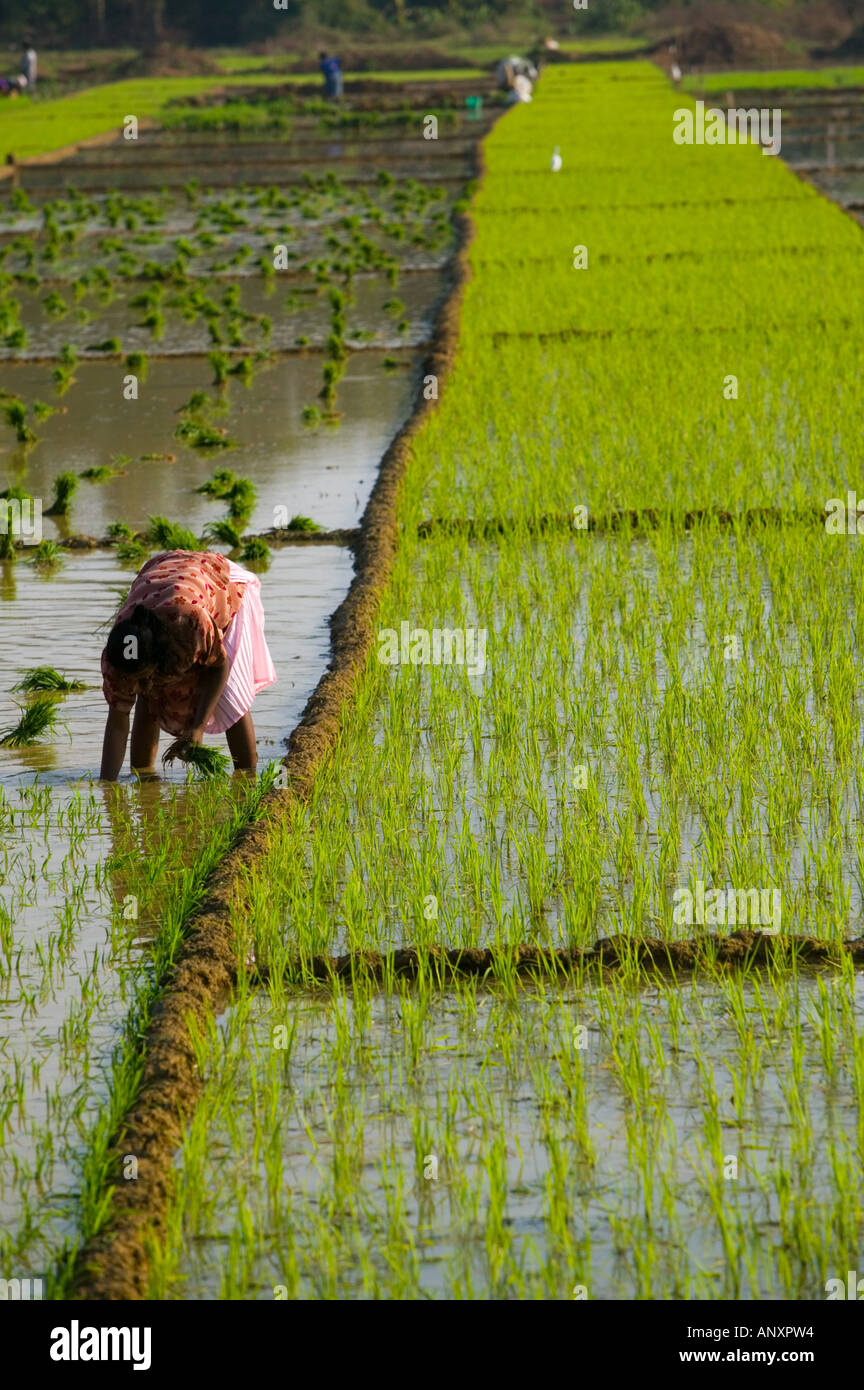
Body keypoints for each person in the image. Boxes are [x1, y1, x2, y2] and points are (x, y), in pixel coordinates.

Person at [99, 549, 276, 780]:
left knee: (232, 695)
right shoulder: (119, 656)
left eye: (145, 675)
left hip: (218, 584)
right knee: (147, 694)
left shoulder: (189, 623)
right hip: (167, 574)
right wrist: (106, 786)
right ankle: (144, 777)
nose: (140, 683)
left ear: (159, 656)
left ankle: (247, 777)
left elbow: (219, 667)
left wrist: (197, 728)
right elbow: (117, 723)